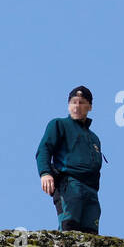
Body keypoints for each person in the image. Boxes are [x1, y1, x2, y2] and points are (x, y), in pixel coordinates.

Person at [36, 85, 106, 234]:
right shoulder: (59, 124)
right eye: (73, 102)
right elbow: (44, 149)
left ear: (90, 107)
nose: (77, 106)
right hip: (70, 184)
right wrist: (45, 173)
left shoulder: (94, 138)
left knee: (91, 233)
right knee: (69, 228)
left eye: (81, 102)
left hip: (91, 190)